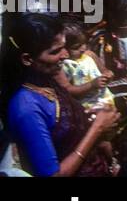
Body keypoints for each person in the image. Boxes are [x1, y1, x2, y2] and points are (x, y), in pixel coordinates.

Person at [2, 13, 118, 176]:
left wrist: (90, 119)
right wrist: (97, 129)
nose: (65, 55)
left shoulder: (47, 81)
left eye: (65, 46)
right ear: (27, 59)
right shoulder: (26, 108)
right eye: (55, 51)